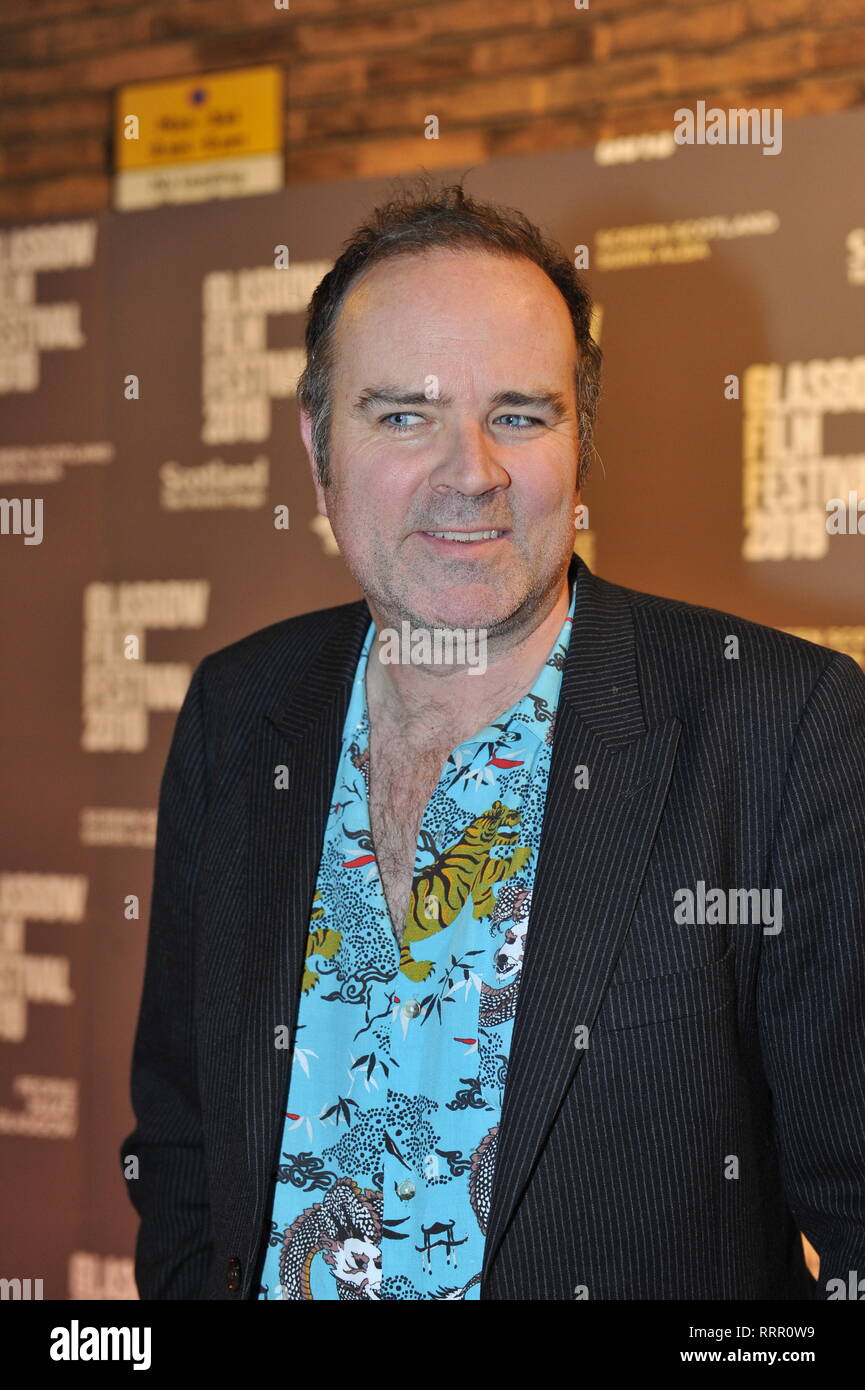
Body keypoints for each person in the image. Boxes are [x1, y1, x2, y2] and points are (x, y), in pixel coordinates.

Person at [120, 180, 865, 1300]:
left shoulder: (777, 727)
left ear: (580, 441)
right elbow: (182, 1144)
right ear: (318, 442)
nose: (471, 472)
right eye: (404, 414)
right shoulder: (238, 712)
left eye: (519, 412)